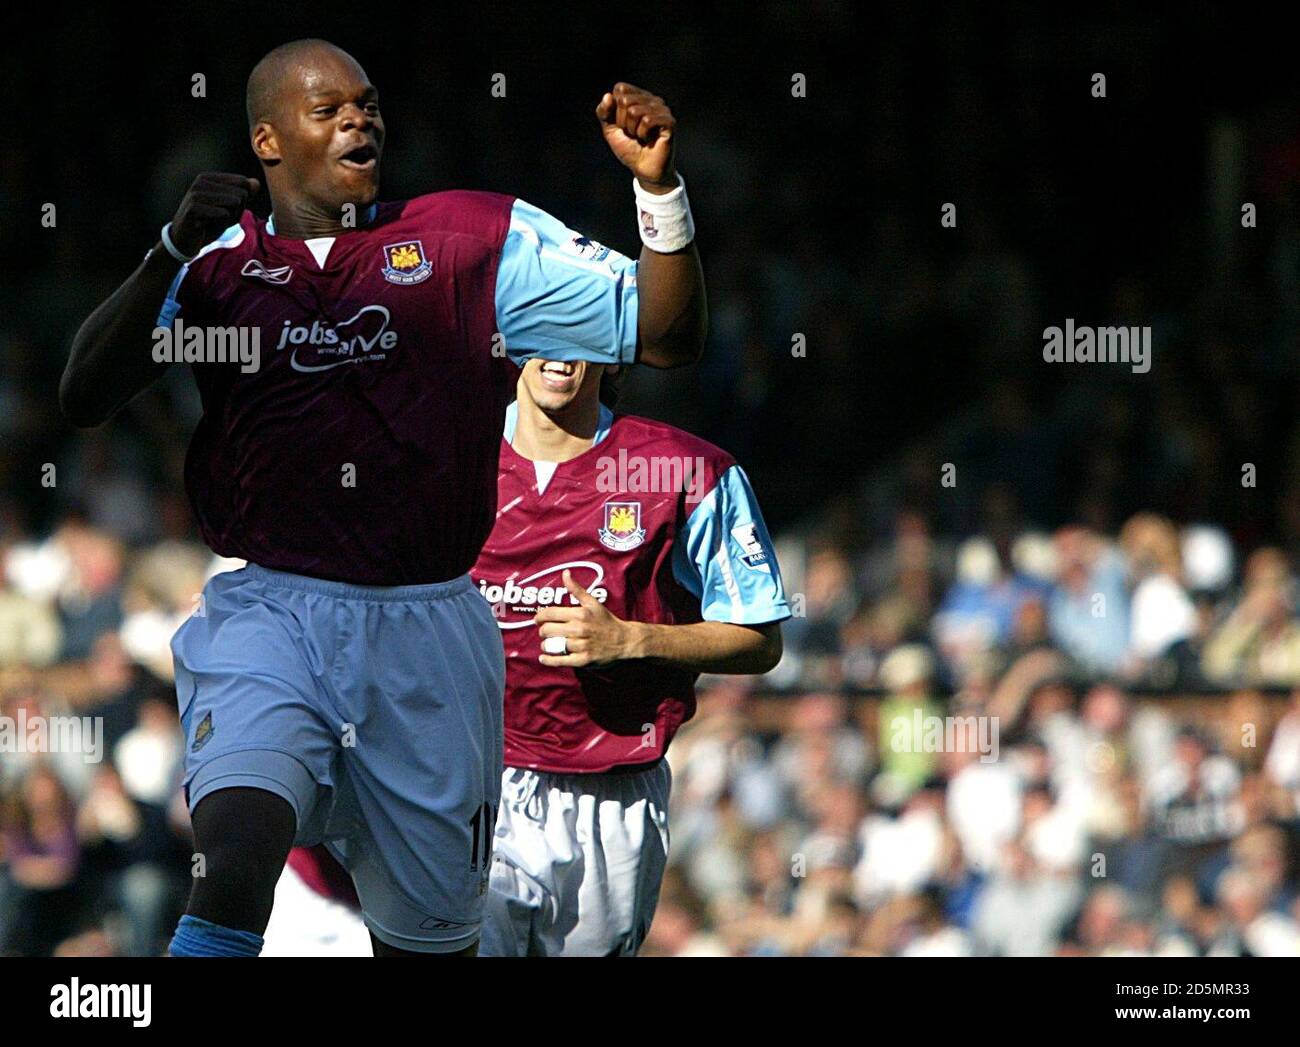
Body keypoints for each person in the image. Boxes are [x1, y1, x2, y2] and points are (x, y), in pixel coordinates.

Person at [60, 38, 706, 957]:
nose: (359, 120)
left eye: (368, 105)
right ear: (269, 141)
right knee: (237, 856)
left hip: (429, 633)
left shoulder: (471, 241)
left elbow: (670, 335)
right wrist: (167, 247)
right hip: (270, 610)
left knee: (427, 943)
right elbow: (84, 393)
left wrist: (659, 191)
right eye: (329, 110)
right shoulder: (214, 268)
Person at [472, 359, 788, 954]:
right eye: (543, 324)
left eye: (580, 326)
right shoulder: (448, 454)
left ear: (613, 348)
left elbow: (761, 638)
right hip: (475, 783)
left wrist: (632, 640)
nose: (559, 350)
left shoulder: (685, 470)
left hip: (612, 796)